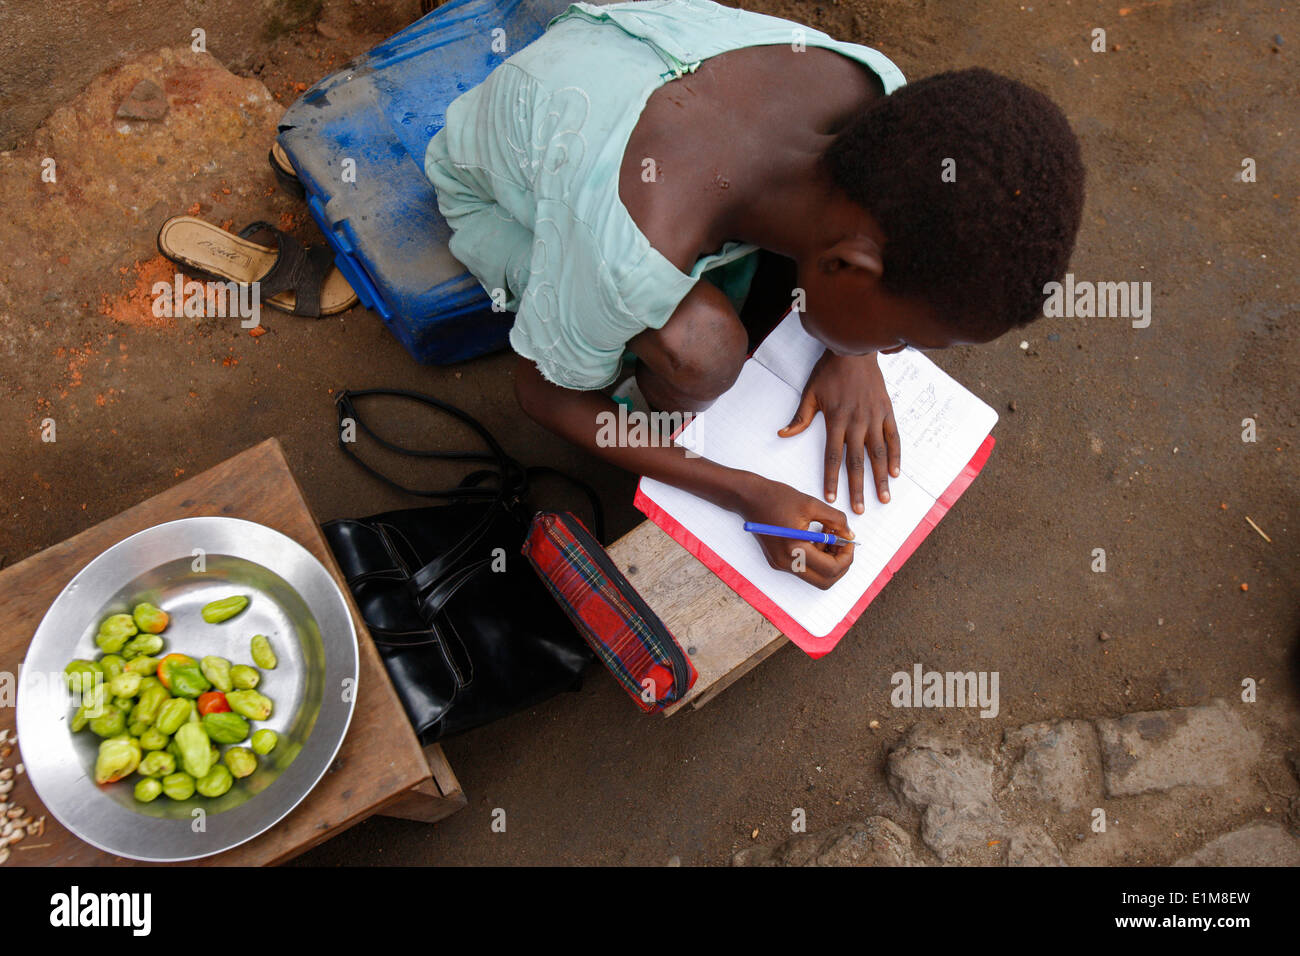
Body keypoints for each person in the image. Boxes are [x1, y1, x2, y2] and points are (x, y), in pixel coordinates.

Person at [424, 0, 1085, 589]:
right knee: (701, 351)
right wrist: (744, 494)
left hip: (624, 65)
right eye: (899, 338)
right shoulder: (630, 256)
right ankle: (652, 399)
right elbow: (544, 393)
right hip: (504, 189)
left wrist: (850, 356)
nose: (893, 351)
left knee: (730, 313)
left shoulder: (872, 93)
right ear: (850, 264)